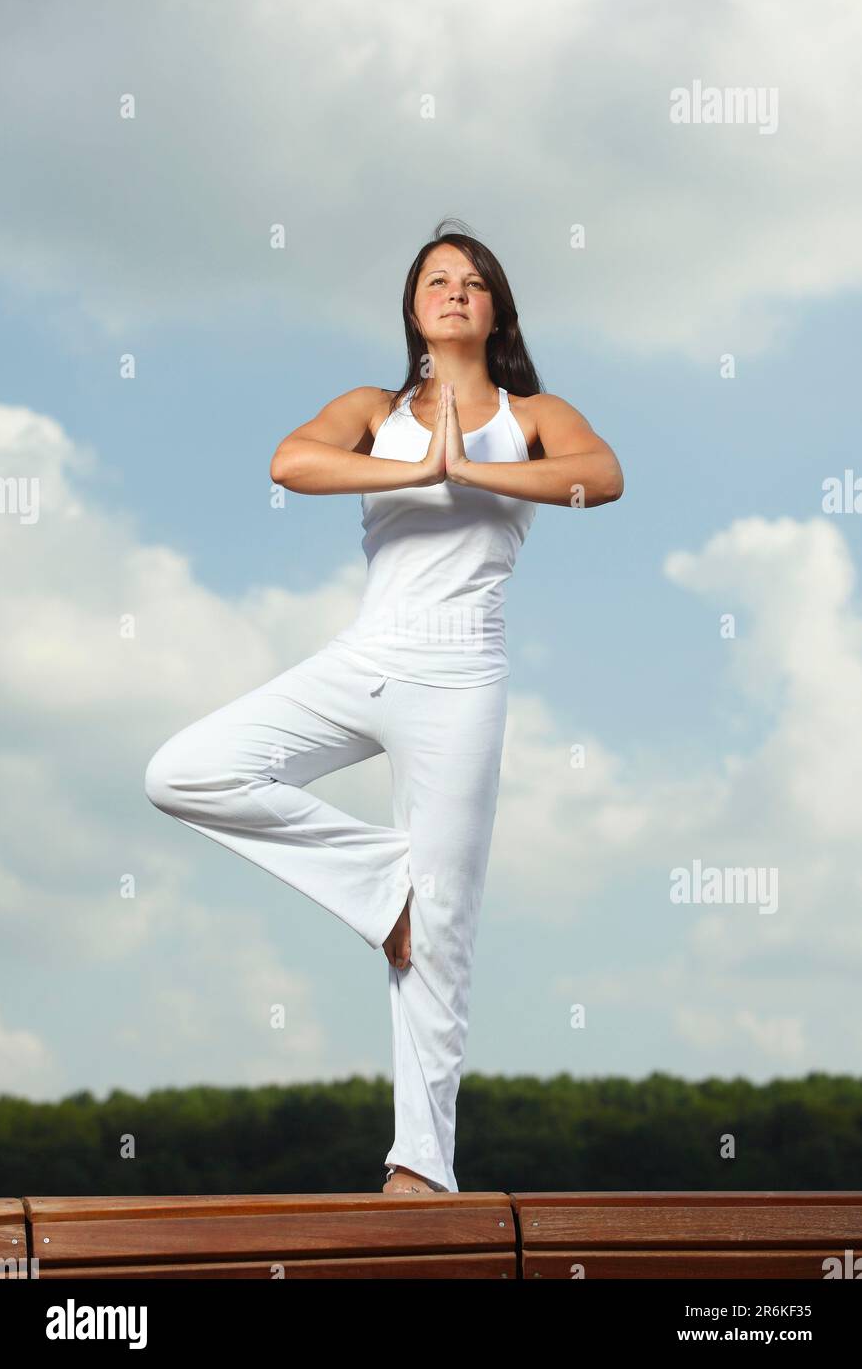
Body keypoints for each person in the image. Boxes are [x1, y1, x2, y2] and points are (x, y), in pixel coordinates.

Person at [144, 218, 624, 1196]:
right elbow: (290, 461)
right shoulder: (372, 406)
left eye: (472, 280)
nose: (453, 289)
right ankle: (379, 886)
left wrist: (470, 468)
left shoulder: (533, 414)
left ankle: (420, 1168)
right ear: (412, 308)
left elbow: (600, 478)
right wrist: (416, 466)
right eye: (436, 278)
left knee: (441, 935)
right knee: (183, 771)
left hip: (461, 680)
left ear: (495, 310)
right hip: (366, 655)